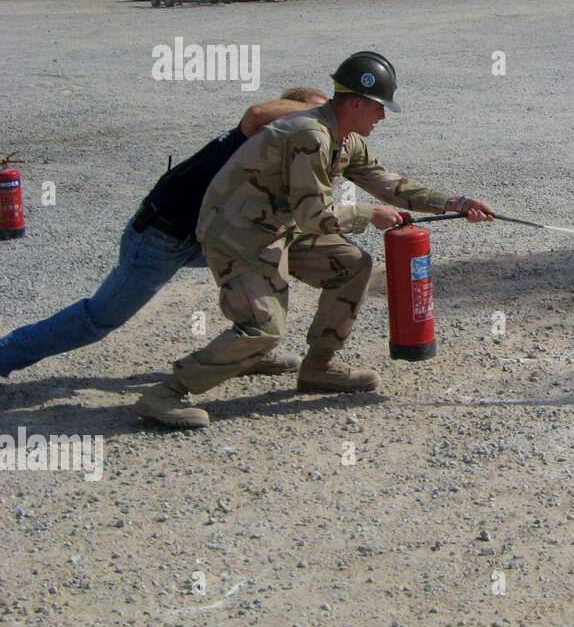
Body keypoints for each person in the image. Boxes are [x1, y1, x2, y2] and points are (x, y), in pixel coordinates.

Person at [135, 51, 495, 429]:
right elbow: (315, 216)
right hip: (238, 234)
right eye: (379, 108)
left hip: (278, 227)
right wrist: (368, 214)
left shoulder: (344, 137)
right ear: (356, 103)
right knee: (263, 329)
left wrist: (452, 203)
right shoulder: (310, 135)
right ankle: (167, 392)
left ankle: (319, 367)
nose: (384, 117)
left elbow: (386, 182)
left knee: (352, 264)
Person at [0, 87, 329, 379]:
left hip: (205, 236)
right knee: (98, 320)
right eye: (317, 110)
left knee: (271, 261)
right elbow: (257, 112)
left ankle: (247, 351)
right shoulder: (254, 133)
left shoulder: (290, 150)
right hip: (161, 238)